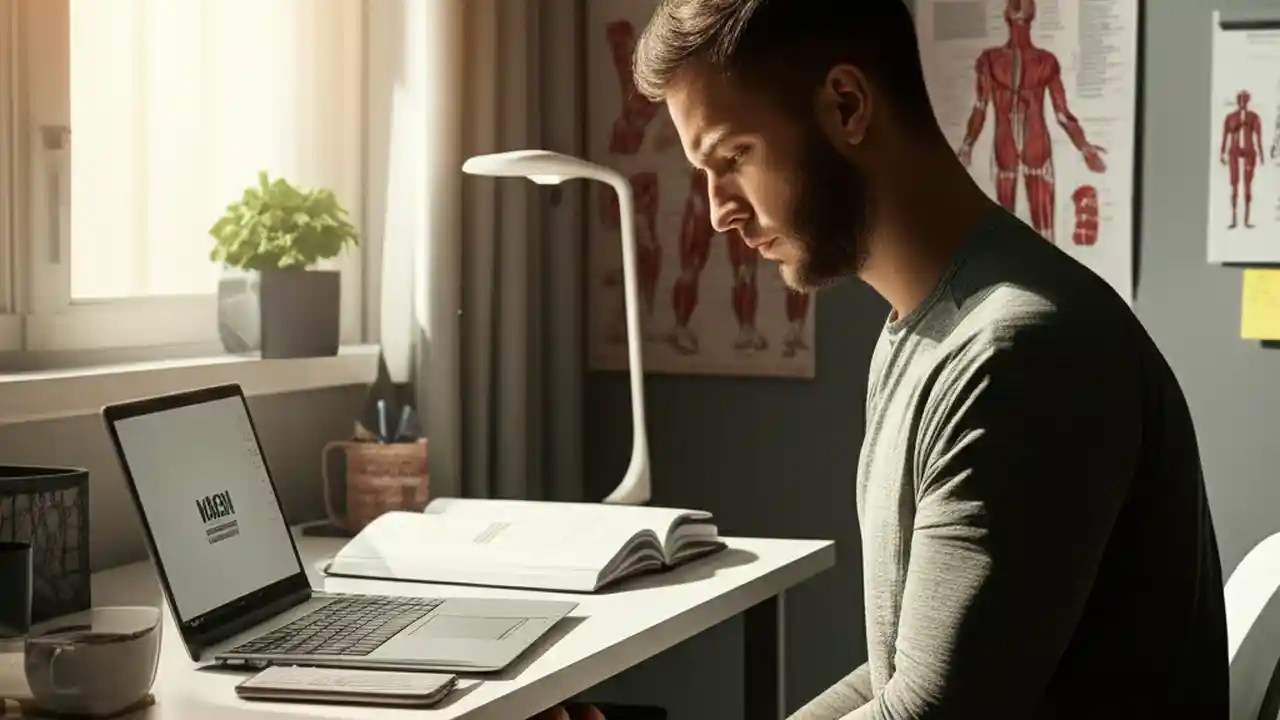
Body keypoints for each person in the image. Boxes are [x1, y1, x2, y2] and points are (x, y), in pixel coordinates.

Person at [537, 0, 1228, 717]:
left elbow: (929, 714)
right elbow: (897, 678)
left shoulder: (1019, 353)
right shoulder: (924, 331)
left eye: (733, 157)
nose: (718, 212)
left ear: (846, 104)